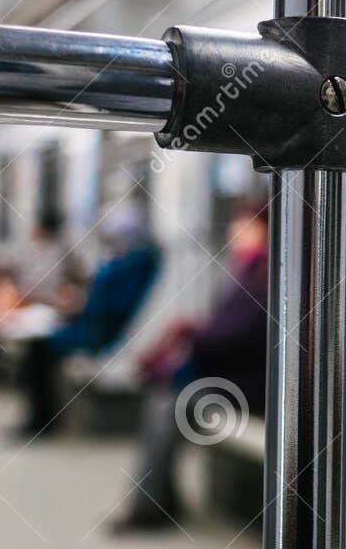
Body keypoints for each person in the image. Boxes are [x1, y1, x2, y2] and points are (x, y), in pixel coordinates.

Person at [110, 198, 268, 532]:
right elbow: (226, 331)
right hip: (234, 375)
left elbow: (242, 338)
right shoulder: (249, 273)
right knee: (163, 399)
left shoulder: (268, 278)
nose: (235, 234)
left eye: (245, 227)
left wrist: (192, 337)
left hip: (254, 383)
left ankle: (151, 506)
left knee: (169, 405)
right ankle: (158, 499)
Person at [12, 204, 162, 438]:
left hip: (96, 332)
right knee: (37, 343)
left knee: (37, 348)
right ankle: (41, 417)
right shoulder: (132, 263)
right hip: (90, 323)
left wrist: (78, 305)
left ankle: (40, 421)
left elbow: (105, 307)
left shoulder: (129, 266)